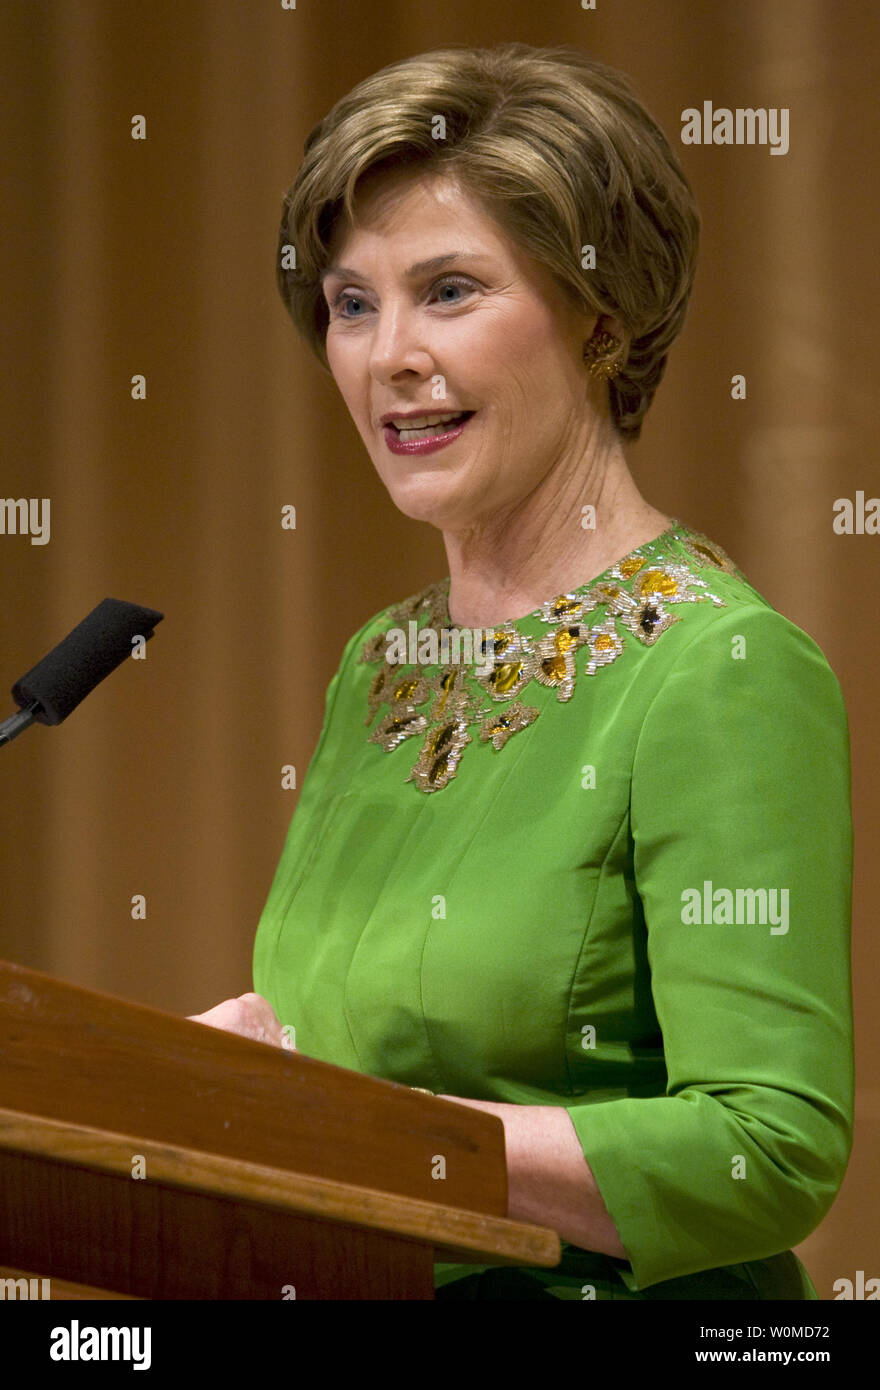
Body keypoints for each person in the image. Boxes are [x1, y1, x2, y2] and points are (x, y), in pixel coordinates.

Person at [188, 43, 853, 1300]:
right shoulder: (381, 665)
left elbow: (767, 1148)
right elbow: (349, 1050)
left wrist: (384, 1143)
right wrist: (220, 1077)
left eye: (448, 291)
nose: (388, 355)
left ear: (604, 316)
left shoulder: (722, 670)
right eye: (349, 302)